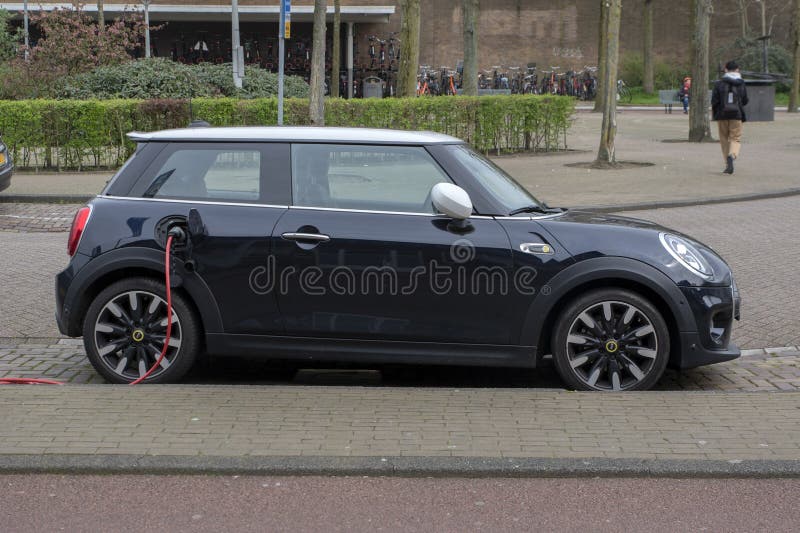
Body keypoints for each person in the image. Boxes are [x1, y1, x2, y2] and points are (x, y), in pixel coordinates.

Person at [711, 61, 749, 174]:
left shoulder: (718, 84)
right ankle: (732, 156)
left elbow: (714, 101)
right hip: (736, 115)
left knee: (724, 139)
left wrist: (716, 113)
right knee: (735, 138)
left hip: (722, 115)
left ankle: (728, 165)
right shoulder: (741, 83)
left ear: (726, 70)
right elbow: (745, 100)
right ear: (737, 70)